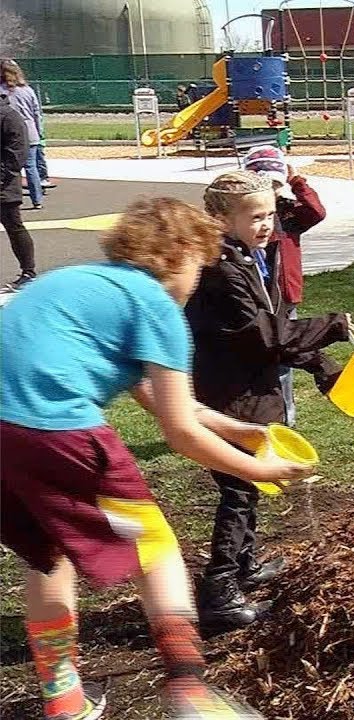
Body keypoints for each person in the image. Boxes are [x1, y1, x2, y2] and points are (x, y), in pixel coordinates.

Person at [1, 197, 307, 720]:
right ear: (184, 253)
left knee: (48, 556)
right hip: (58, 428)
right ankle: (189, 693)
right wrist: (260, 470)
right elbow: (180, 432)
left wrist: (239, 430)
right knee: (156, 550)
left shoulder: (80, 282)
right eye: (200, 262)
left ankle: (64, 697)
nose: (197, 278)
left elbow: (158, 396)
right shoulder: (156, 304)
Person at [186, 171, 351, 630]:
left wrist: (319, 365)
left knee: (249, 486)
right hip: (229, 397)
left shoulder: (251, 257)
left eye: (270, 215)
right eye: (255, 216)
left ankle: (244, 565)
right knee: (239, 490)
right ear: (220, 218)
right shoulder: (219, 269)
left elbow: (271, 335)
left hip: (253, 389)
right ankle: (219, 590)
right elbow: (266, 337)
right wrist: (332, 326)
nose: (266, 224)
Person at [243, 145, 328, 426]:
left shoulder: (289, 215)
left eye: (273, 184)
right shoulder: (244, 218)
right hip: (254, 299)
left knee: (284, 356)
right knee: (256, 358)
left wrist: (296, 181)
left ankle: (284, 419)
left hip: (283, 298)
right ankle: (255, 414)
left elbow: (316, 211)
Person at [1, 88, 36, 291]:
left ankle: (28, 272)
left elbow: (16, 154)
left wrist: (3, 179)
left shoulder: (9, 116)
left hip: (4, 186)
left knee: (14, 227)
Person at [0, 59, 44, 210]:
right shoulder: (28, 90)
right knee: (31, 167)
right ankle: (37, 199)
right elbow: (37, 113)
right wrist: (39, 132)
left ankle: (13, 199)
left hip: (10, 134)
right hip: (30, 132)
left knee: (11, 167)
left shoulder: (2, 92)